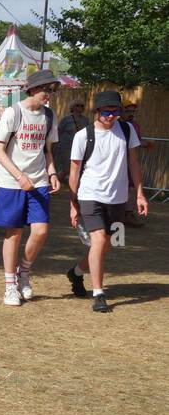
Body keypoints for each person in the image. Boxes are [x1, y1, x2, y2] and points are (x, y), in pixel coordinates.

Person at [65, 90, 148, 312]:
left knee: (107, 245)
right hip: (90, 195)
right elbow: (74, 172)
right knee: (99, 241)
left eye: (116, 112)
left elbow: (133, 164)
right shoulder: (83, 136)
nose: (112, 117)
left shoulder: (127, 130)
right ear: (97, 111)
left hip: (118, 198)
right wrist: (73, 204)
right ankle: (99, 294)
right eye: (107, 112)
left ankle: (76, 272)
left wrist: (139, 194)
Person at [0, 69, 62, 307]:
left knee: (41, 231)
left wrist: (52, 172)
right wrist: (19, 176)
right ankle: (10, 286)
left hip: (39, 181)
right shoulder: (13, 113)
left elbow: (48, 151)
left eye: (52, 90)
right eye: (46, 90)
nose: (50, 95)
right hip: (11, 181)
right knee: (14, 233)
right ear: (32, 89)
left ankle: (24, 272)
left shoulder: (50, 116)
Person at [55, 100, 87, 188]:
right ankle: (55, 185)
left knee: (79, 168)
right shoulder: (66, 120)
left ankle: (75, 189)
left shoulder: (85, 120)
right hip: (67, 147)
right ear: (72, 107)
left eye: (81, 105)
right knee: (66, 168)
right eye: (77, 105)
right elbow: (59, 131)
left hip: (80, 147)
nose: (80, 107)